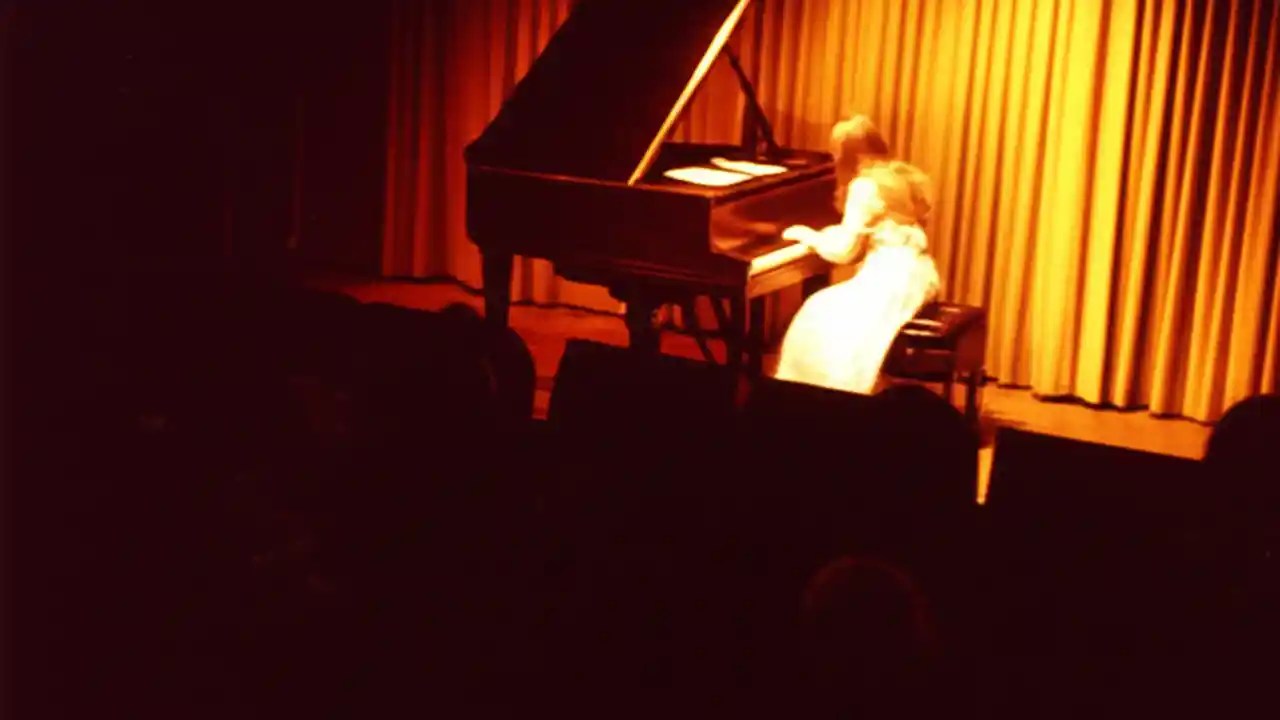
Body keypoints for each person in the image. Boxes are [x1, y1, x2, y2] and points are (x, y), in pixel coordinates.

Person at [774, 115, 940, 395]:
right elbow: (871, 235)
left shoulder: (864, 187)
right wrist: (830, 234)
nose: (834, 161)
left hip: (888, 279)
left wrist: (809, 237)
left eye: (837, 154)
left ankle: (826, 394)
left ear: (852, 155)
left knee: (817, 312)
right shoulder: (897, 176)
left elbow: (845, 252)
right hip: (918, 274)